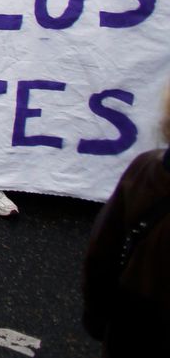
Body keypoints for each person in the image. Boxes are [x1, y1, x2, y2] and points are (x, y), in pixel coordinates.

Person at [81, 83, 170, 352]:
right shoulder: (146, 170)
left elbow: (101, 254)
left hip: (133, 326)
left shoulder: (145, 171)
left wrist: (97, 317)